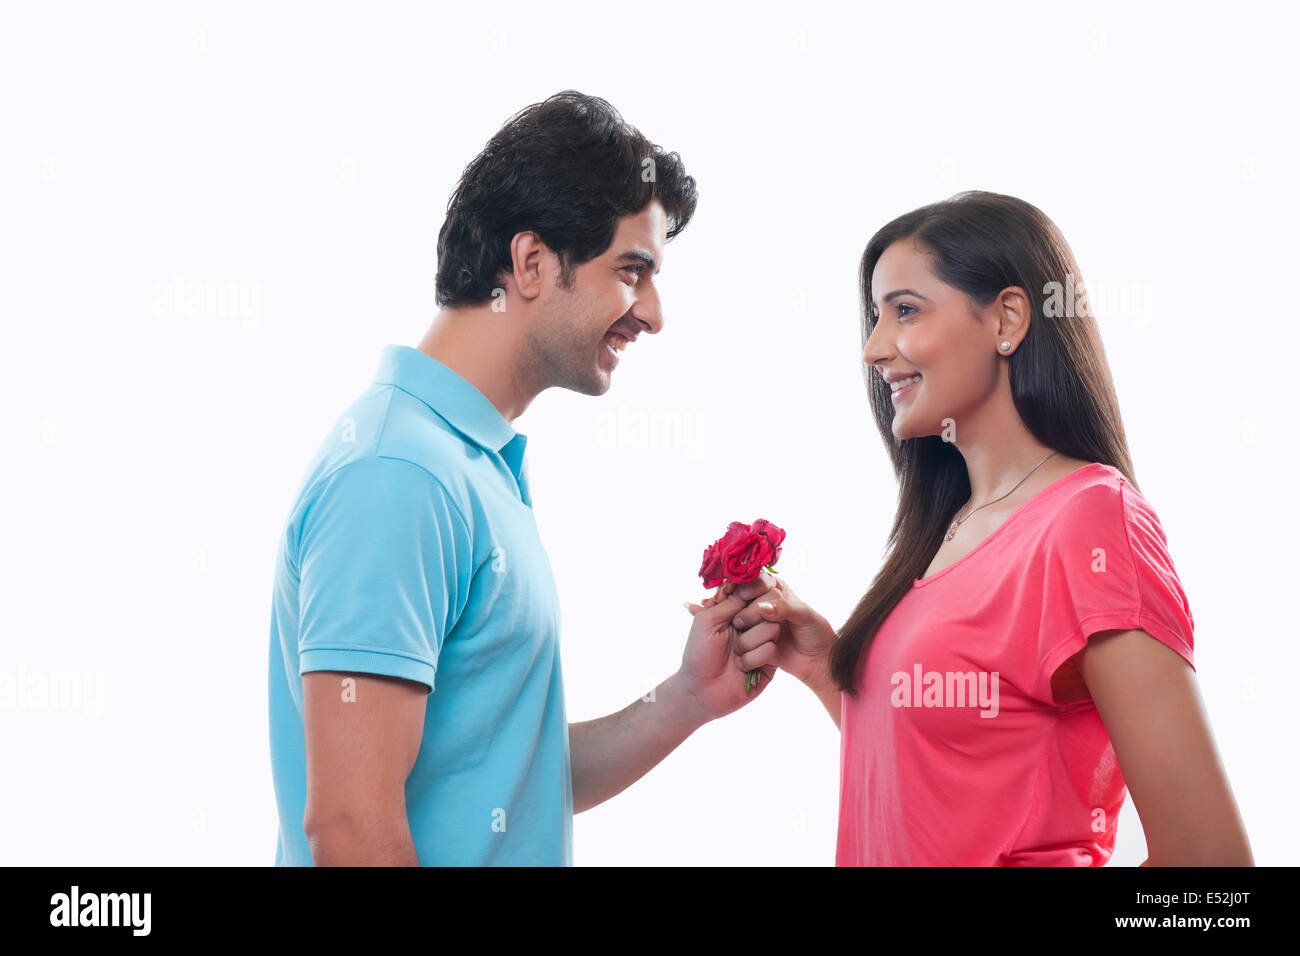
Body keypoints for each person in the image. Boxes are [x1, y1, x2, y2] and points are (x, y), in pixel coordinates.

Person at [267, 91, 779, 865]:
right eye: (632, 271)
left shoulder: (466, 465)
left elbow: (501, 785)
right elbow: (349, 826)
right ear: (532, 262)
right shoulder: (401, 475)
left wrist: (683, 701)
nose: (654, 313)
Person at [700, 191, 1254, 866]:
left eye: (905, 310)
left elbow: (1212, 874)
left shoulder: (1091, 521)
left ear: (1008, 319)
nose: (875, 348)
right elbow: (953, 774)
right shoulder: (949, 528)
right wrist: (825, 670)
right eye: (875, 317)